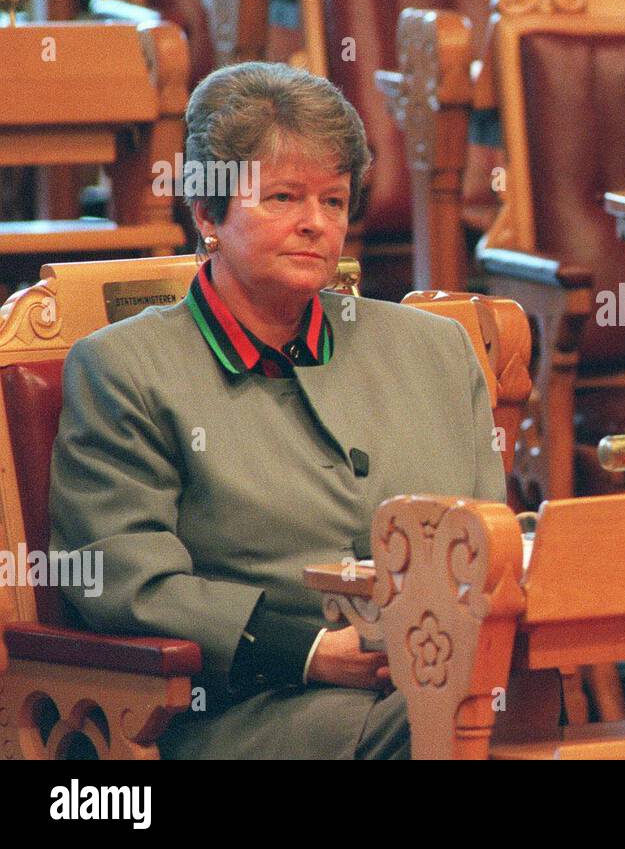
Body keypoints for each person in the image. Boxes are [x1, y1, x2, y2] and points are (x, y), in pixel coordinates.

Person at [50, 62, 506, 759]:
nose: (314, 225)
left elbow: (493, 546)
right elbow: (127, 582)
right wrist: (310, 649)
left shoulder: (435, 349)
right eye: (284, 197)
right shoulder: (125, 369)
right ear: (206, 212)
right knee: (457, 729)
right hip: (253, 712)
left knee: (552, 724)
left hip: (450, 682)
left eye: (333, 200)